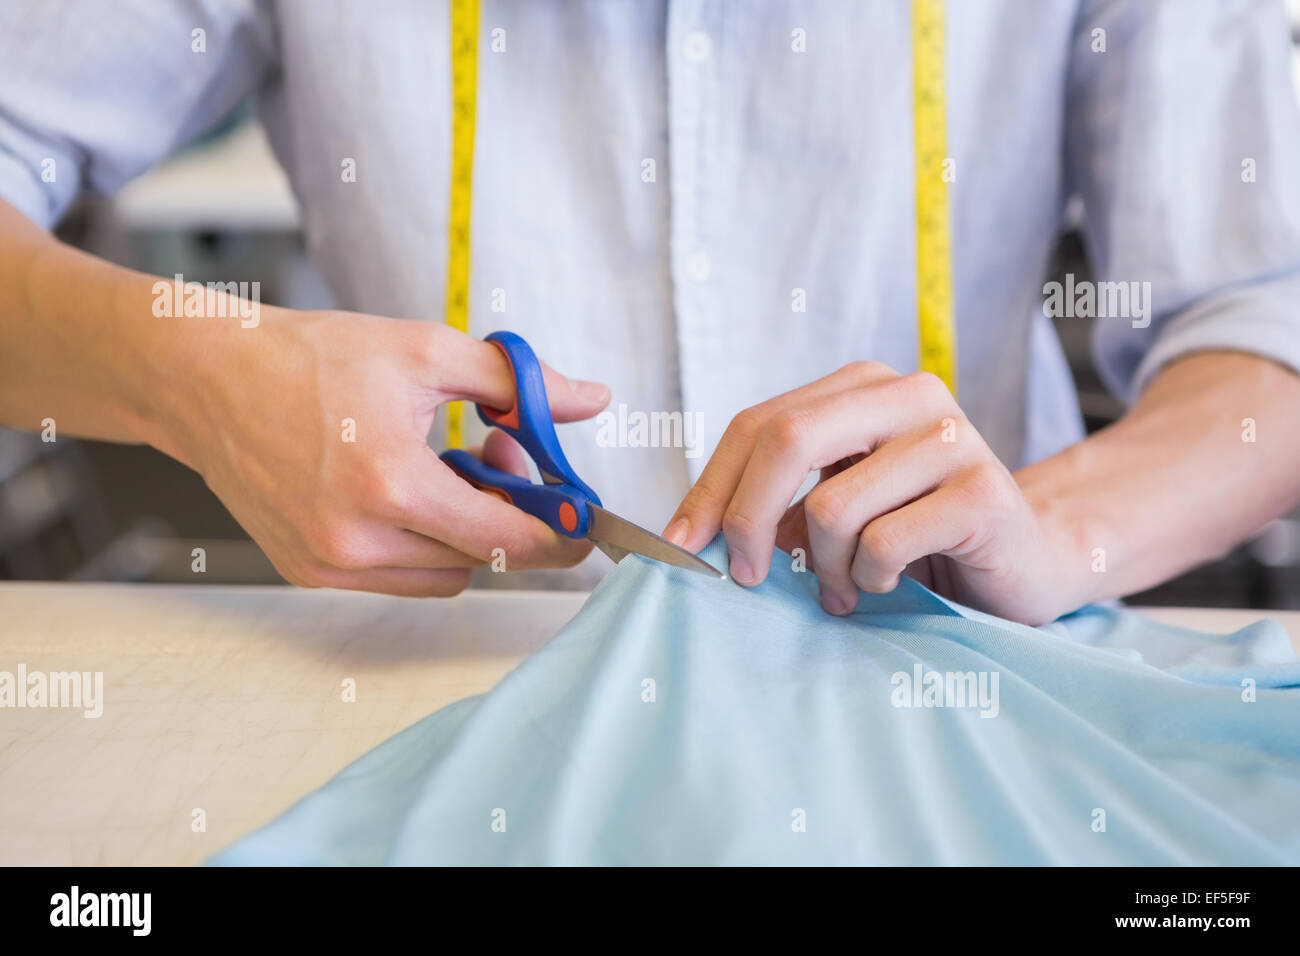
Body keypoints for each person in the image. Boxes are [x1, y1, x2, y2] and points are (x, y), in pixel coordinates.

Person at [2, 1, 1299, 625]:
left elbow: (1267, 321)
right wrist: (200, 375)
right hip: (456, 702)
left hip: (965, 699)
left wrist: (1060, 529)